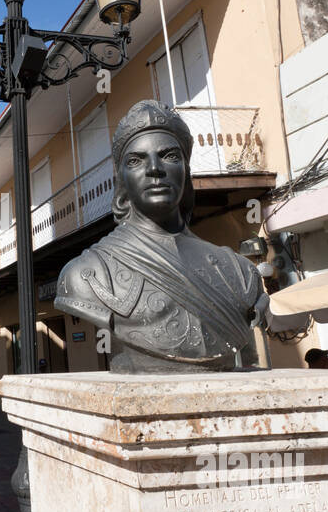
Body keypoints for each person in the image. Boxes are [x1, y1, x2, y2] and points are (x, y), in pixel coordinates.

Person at [56, 101, 264, 373]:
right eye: (135, 160)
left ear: (186, 172)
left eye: (170, 156)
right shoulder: (87, 274)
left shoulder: (241, 272)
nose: (155, 168)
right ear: (122, 180)